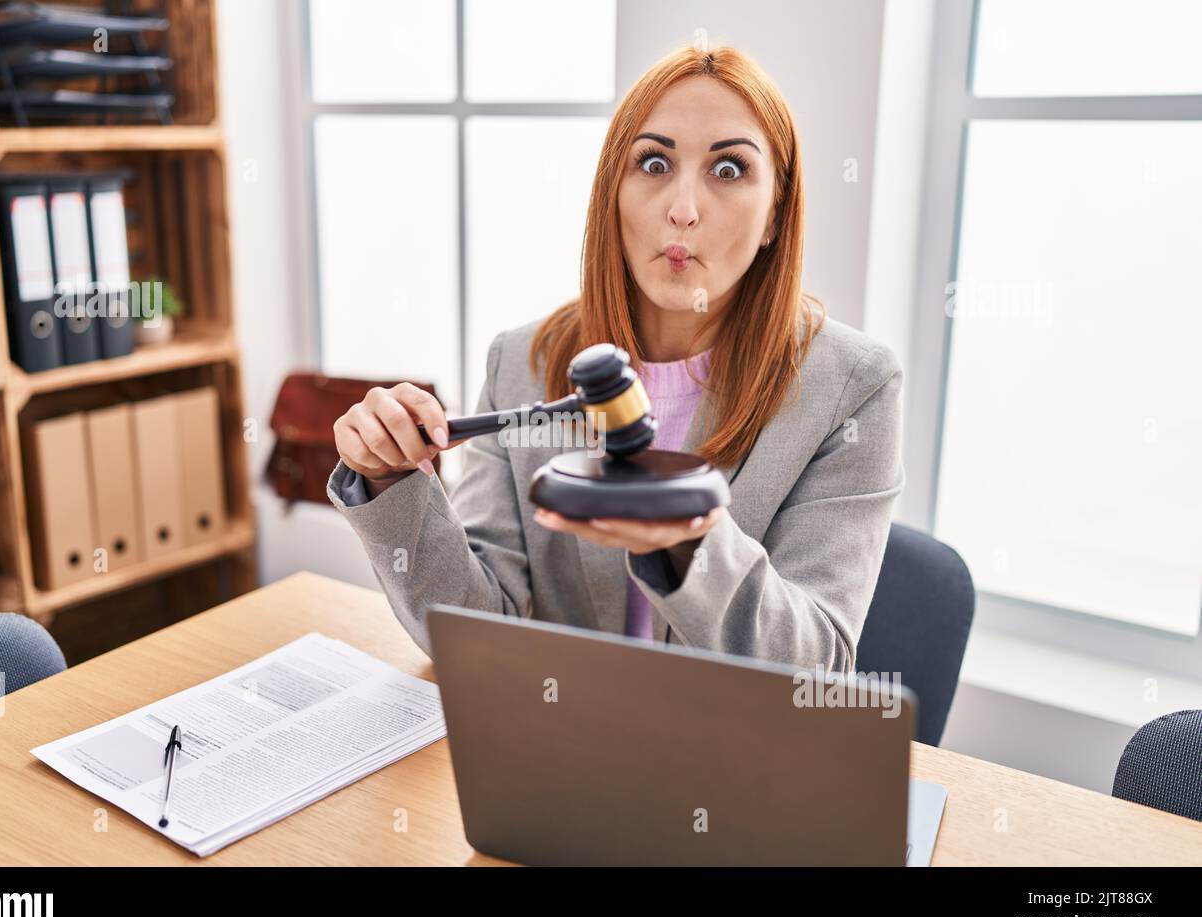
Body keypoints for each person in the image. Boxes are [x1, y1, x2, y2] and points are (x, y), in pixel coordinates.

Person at [328, 44, 903, 671]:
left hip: (729, 751)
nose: (682, 210)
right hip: (566, 735)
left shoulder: (854, 387)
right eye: (653, 163)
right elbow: (473, 632)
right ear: (613, 192)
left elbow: (813, 667)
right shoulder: (521, 360)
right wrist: (390, 478)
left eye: (730, 170)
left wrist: (690, 540)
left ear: (774, 215)